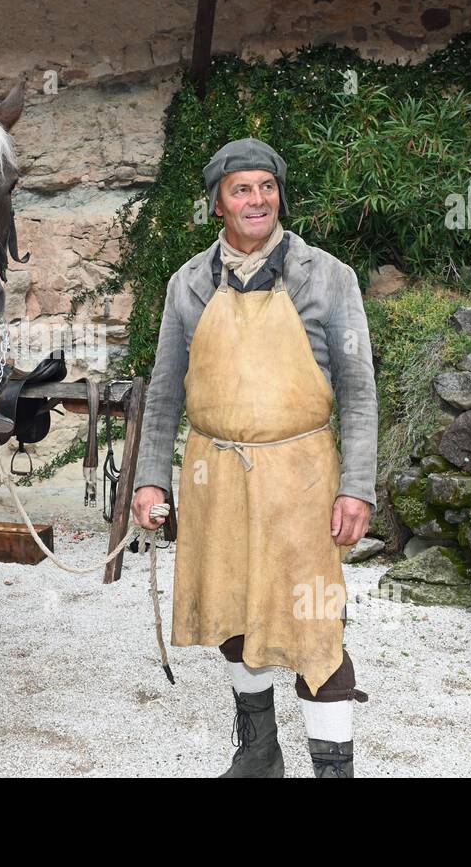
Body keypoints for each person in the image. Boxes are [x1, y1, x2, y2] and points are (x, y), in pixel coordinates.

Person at [131, 138, 378, 778]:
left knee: (315, 628)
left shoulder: (329, 277)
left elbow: (357, 390)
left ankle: (334, 771)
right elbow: (163, 392)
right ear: (218, 202)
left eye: (266, 187)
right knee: (233, 613)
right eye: (241, 189)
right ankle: (260, 752)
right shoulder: (187, 284)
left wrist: (357, 486)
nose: (256, 199)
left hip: (302, 481)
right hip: (215, 478)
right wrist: (151, 478)